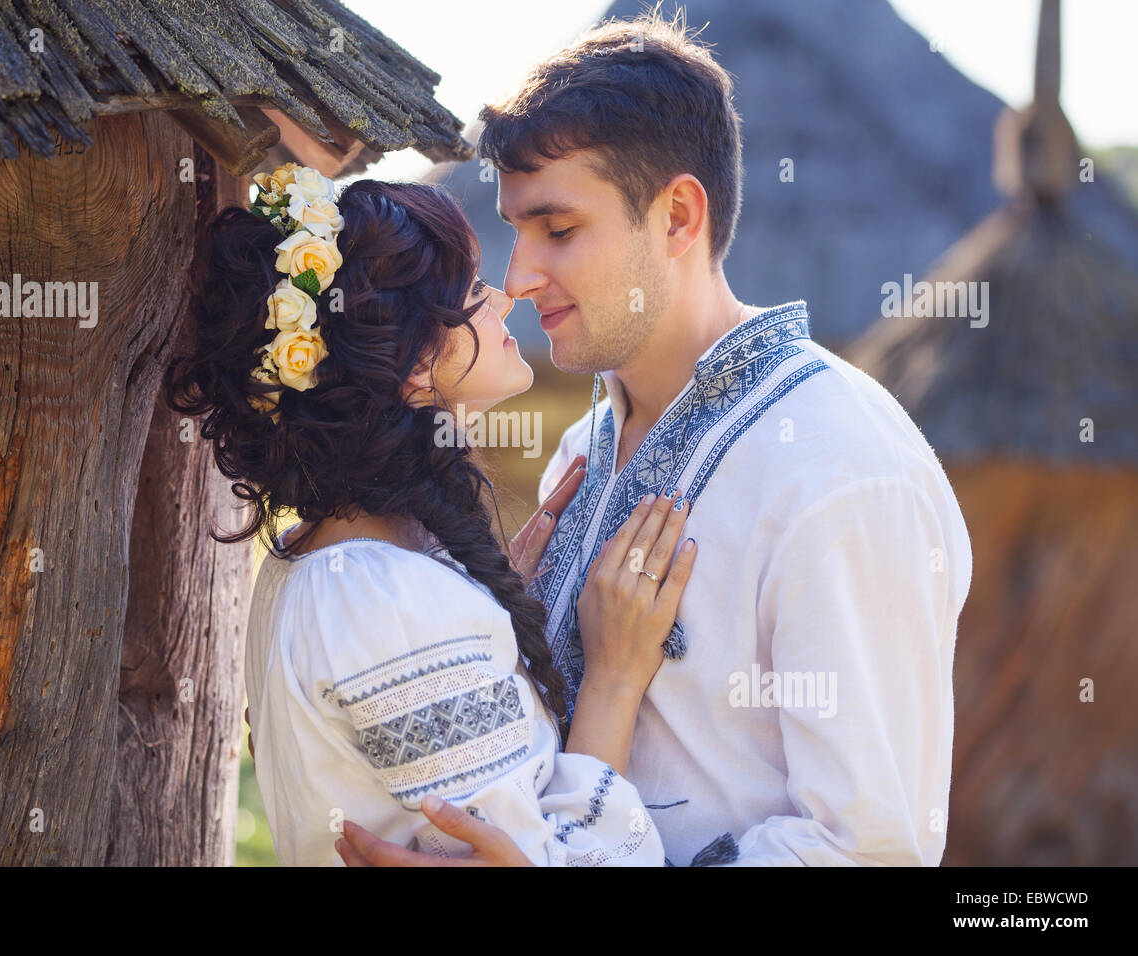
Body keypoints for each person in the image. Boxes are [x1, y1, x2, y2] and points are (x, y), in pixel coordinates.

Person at [340, 11, 972, 867]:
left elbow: (868, 849)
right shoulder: (580, 454)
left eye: (557, 230)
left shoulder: (842, 471)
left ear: (677, 217)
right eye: (515, 229)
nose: (518, 276)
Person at [166, 166, 698, 865]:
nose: (504, 301)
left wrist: (481, 594)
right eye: (473, 292)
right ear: (414, 365)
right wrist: (615, 677)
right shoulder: (390, 604)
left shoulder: (326, 570)